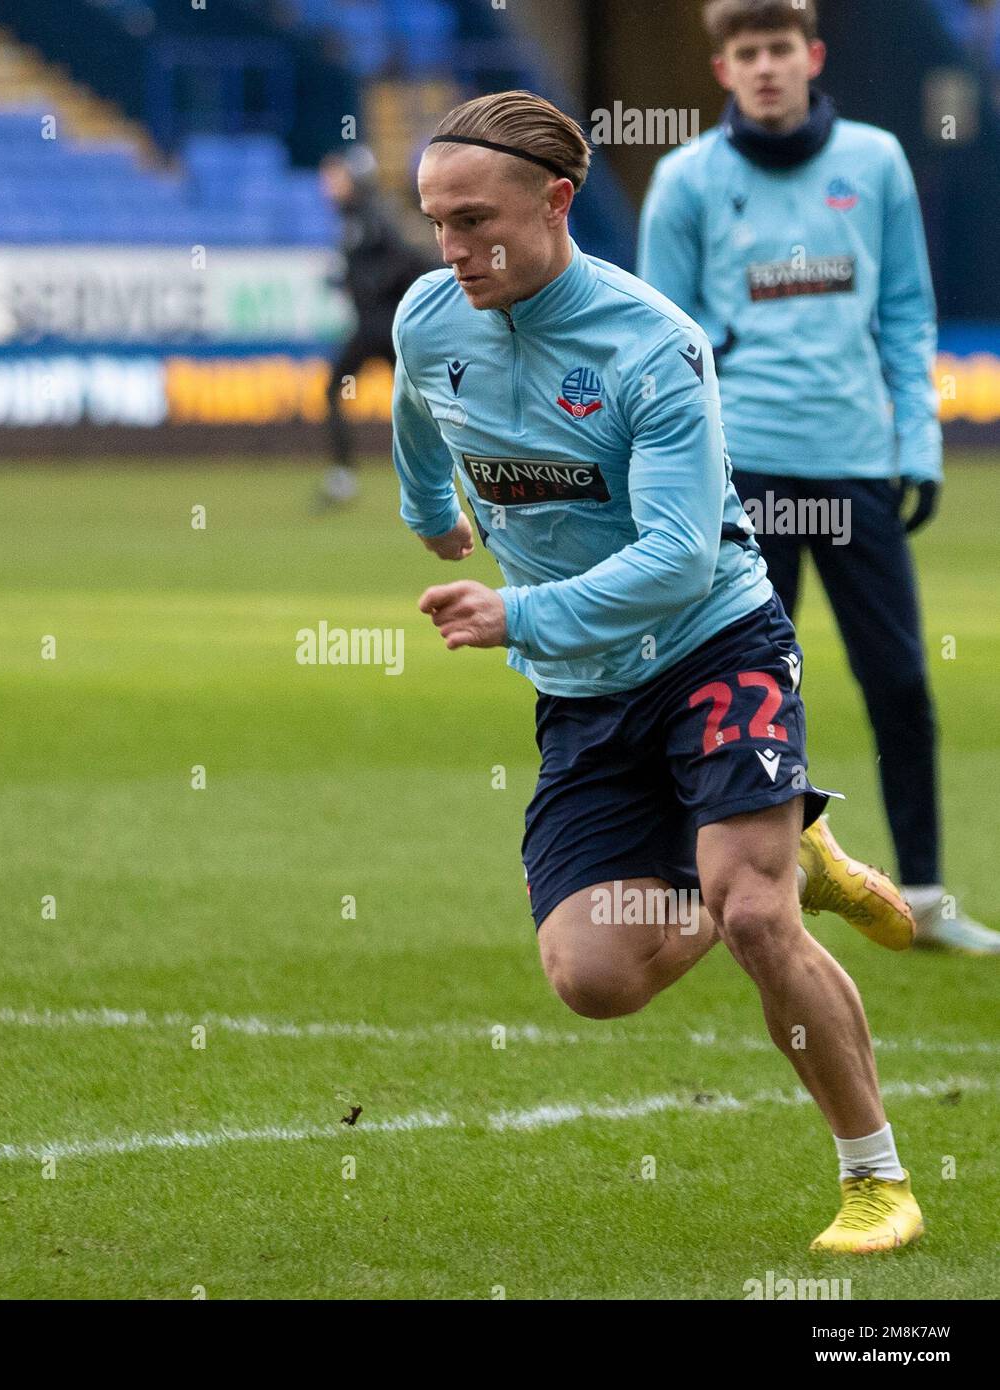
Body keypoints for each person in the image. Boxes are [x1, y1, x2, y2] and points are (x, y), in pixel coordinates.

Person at [392, 87, 925, 1253]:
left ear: (556, 199)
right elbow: (419, 416)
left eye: (474, 219)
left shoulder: (651, 345)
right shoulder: (431, 315)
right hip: (585, 690)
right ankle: (803, 854)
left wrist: (516, 607)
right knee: (592, 975)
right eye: (434, 221)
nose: (451, 249)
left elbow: (681, 561)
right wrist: (429, 510)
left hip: (713, 645)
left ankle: (875, 1179)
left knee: (749, 913)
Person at [638, 0, 999, 954]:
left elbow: (908, 310)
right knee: (735, 692)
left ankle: (921, 897)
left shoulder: (876, 161)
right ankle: (715, 900)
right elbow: (659, 349)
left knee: (901, 682)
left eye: (779, 49)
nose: (764, 67)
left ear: (812, 56)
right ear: (722, 70)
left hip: (854, 465)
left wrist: (916, 443)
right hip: (740, 470)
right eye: (745, 53)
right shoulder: (684, 181)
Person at [316, 146, 435, 508]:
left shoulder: (372, 217)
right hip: (382, 328)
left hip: (379, 328)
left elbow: (413, 260)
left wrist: (368, 283)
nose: (329, 185)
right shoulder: (363, 216)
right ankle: (447, 470)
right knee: (420, 404)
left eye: (337, 177)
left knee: (338, 390)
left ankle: (344, 477)